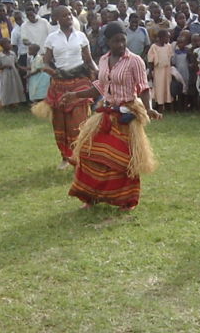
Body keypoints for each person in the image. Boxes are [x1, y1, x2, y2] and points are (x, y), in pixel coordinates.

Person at [60, 22, 161, 210]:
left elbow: (143, 87)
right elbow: (100, 85)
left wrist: (148, 109)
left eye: (123, 40)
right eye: (116, 41)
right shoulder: (104, 60)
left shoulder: (135, 61)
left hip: (126, 115)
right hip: (105, 112)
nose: (121, 44)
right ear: (108, 42)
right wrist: (75, 95)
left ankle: (126, 200)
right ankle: (90, 197)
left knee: (121, 160)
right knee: (89, 153)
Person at [38, 5, 96, 169]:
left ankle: (80, 157)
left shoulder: (81, 36)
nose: (69, 17)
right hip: (60, 83)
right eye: (64, 15)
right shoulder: (52, 38)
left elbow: (88, 59)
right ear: (57, 19)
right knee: (60, 123)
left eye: (70, 14)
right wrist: (50, 70)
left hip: (79, 81)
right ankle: (65, 157)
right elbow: (46, 61)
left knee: (78, 122)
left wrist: (99, 71)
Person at [146, 28, 174, 111]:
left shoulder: (168, 46)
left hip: (167, 70)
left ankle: (170, 107)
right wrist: (150, 72)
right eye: (167, 37)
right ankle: (160, 106)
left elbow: (170, 58)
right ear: (160, 37)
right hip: (158, 71)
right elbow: (150, 60)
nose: (168, 39)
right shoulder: (154, 47)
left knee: (168, 87)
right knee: (159, 88)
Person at [0, 37, 26, 108]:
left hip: (14, 74)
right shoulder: (0, 55)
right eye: (8, 43)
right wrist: (5, 66)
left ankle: (13, 103)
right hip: (5, 74)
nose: (10, 45)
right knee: (5, 88)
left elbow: (16, 64)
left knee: (13, 88)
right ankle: (3, 103)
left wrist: (23, 68)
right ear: (3, 45)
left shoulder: (13, 54)